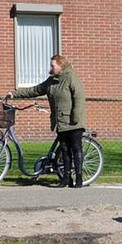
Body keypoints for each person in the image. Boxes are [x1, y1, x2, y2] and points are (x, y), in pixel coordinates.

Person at [11, 54, 86, 187]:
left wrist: (76, 116)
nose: (51, 68)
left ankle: (79, 178)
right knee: (64, 150)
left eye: (53, 65)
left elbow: (79, 97)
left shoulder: (71, 77)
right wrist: (14, 94)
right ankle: (66, 179)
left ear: (61, 66)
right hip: (60, 121)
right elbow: (35, 90)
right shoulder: (51, 81)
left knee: (76, 149)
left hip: (73, 121)